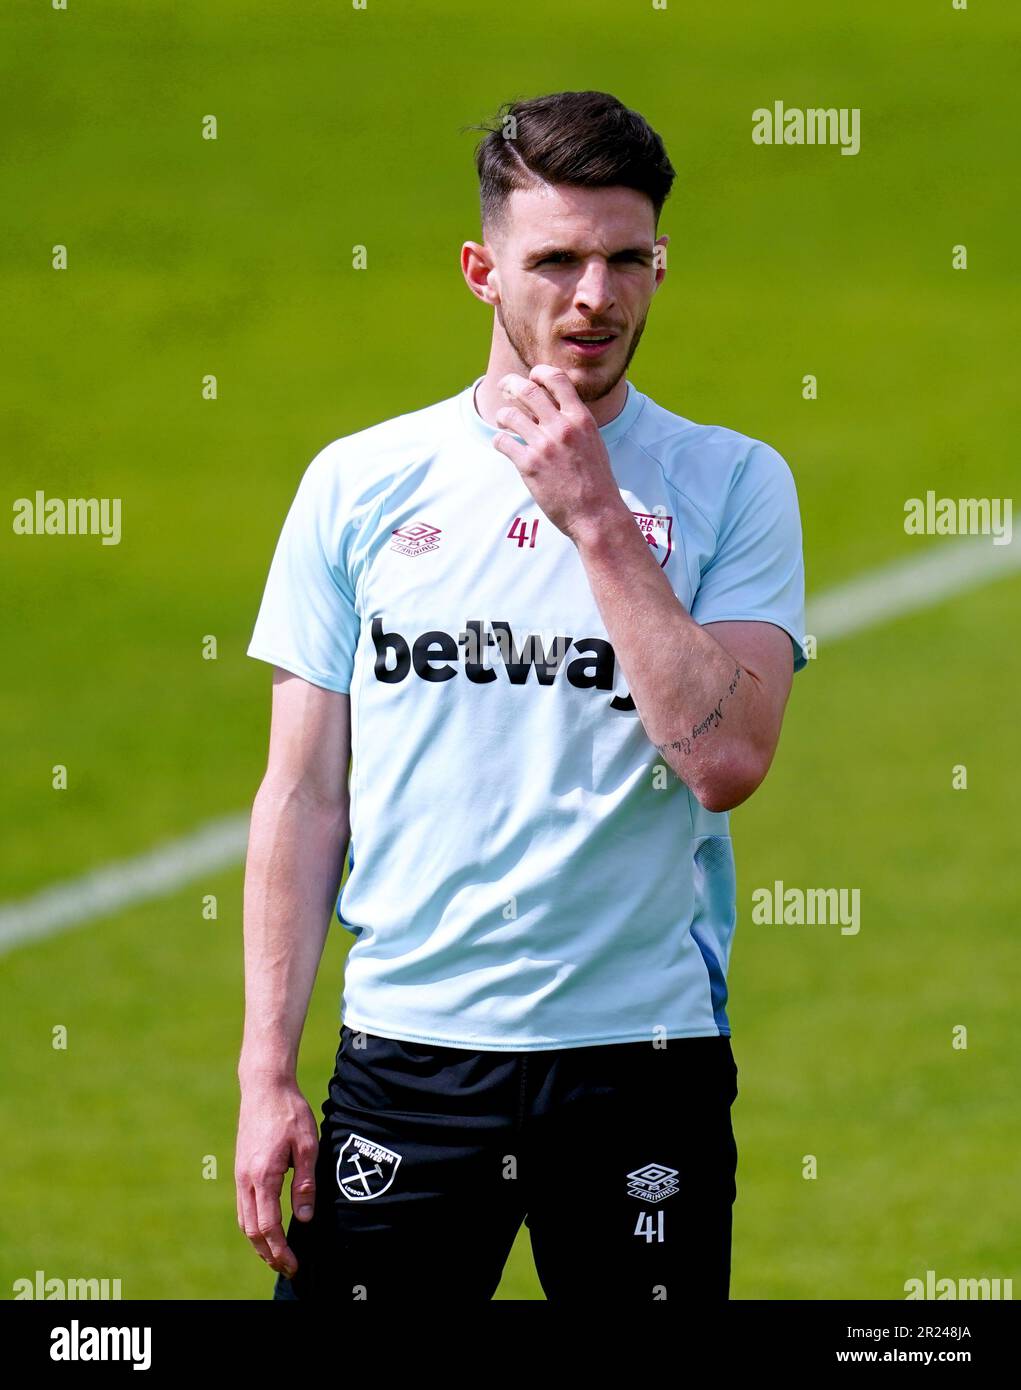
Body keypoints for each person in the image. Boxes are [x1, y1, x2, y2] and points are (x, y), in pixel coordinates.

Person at [234, 89, 808, 1303]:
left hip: (639, 1060)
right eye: (555, 260)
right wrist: (264, 1072)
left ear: (660, 263)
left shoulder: (734, 483)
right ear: (481, 270)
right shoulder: (359, 482)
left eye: (624, 259)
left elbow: (728, 760)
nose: (593, 297)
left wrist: (595, 518)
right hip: (410, 1056)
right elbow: (302, 791)